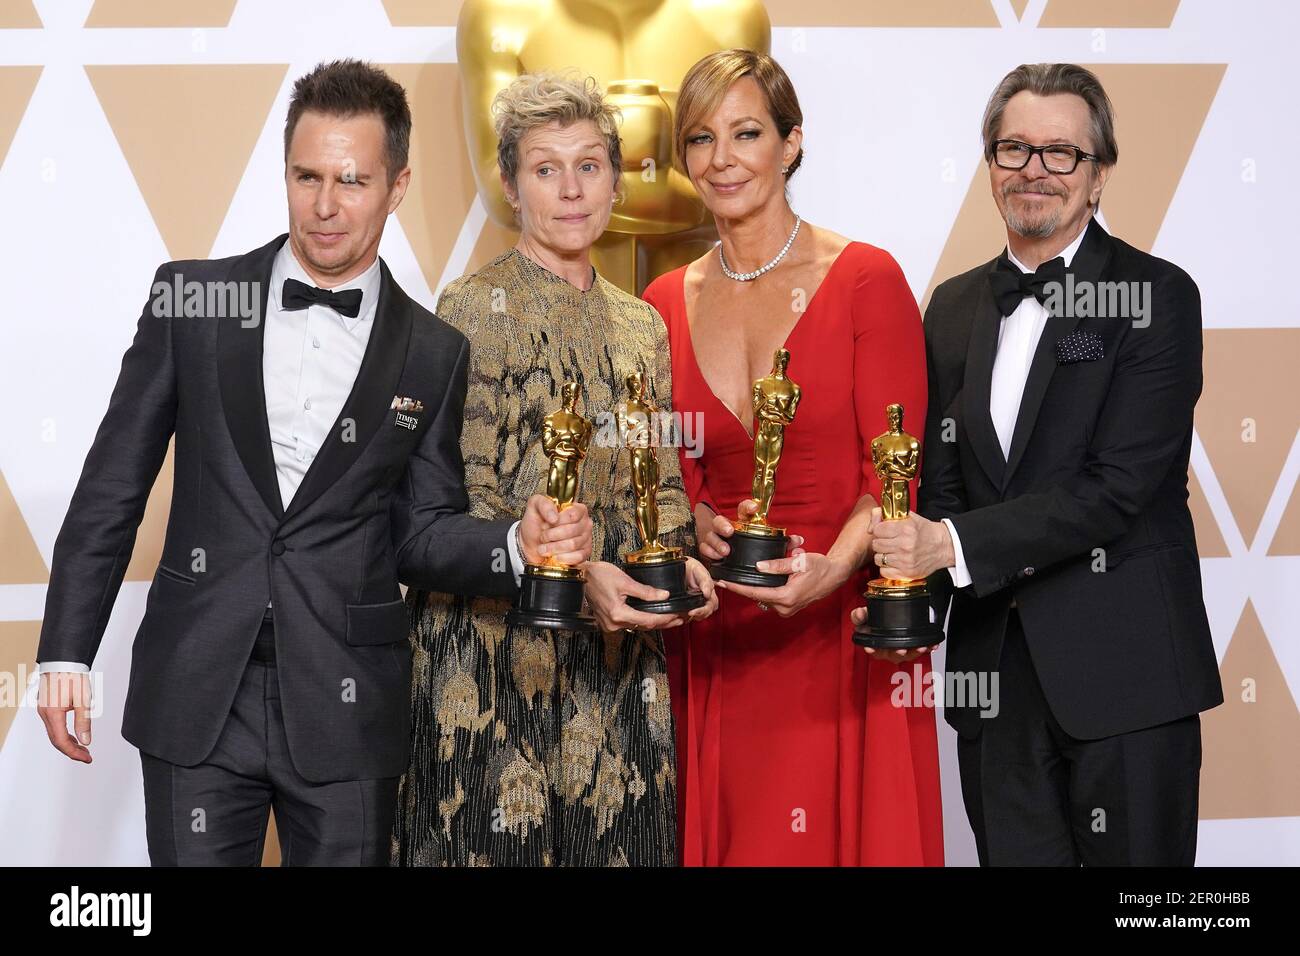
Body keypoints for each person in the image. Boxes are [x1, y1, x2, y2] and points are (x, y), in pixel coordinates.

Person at [33, 59, 583, 866]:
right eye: (307, 176)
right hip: (197, 691)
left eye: (353, 181)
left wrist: (514, 546)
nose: (325, 206)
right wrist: (64, 653)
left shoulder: (434, 350)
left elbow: (421, 533)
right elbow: (113, 488)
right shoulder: (192, 298)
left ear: (397, 187)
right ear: (285, 172)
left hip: (345, 704)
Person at [871, 63, 1223, 865]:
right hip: (993, 685)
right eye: (1014, 148)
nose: (1035, 170)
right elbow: (942, 479)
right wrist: (898, 593)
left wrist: (949, 547)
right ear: (990, 165)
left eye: (1062, 153)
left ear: (1098, 176)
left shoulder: (1156, 295)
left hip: (1127, 679)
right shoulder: (955, 305)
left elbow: (1115, 490)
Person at [391, 71, 717, 867]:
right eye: (545, 169)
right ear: (511, 185)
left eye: (589, 165)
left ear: (614, 177)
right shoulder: (468, 310)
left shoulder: (642, 323)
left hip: (621, 665)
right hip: (495, 664)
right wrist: (580, 574)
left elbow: (660, 483)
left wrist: (686, 565)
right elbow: (455, 510)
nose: (571, 191)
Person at [643, 49, 943, 866]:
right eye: (701, 139)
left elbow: (896, 475)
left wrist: (830, 572)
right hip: (720, 637)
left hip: (840, 631)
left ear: (792, 143)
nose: (723, 159)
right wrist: (699, 517)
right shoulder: (663, 301)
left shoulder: (864, 280)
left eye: (747, 133)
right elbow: (673, 471)